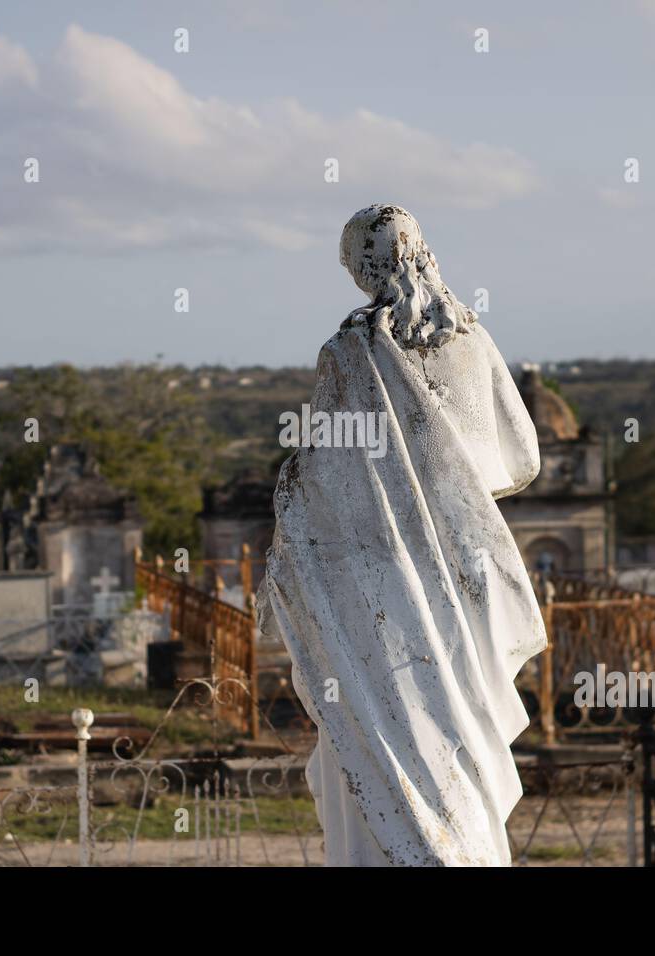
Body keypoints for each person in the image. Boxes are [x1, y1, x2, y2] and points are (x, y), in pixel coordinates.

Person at [257, 204, 547, 866]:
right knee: (462, 729)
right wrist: (458, 486)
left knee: (382, 724)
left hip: (381, 584)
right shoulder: (474, 340)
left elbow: (317, 483)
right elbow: (524, 457)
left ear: (363, 269)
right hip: (470, 570)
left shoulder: (352, 353)